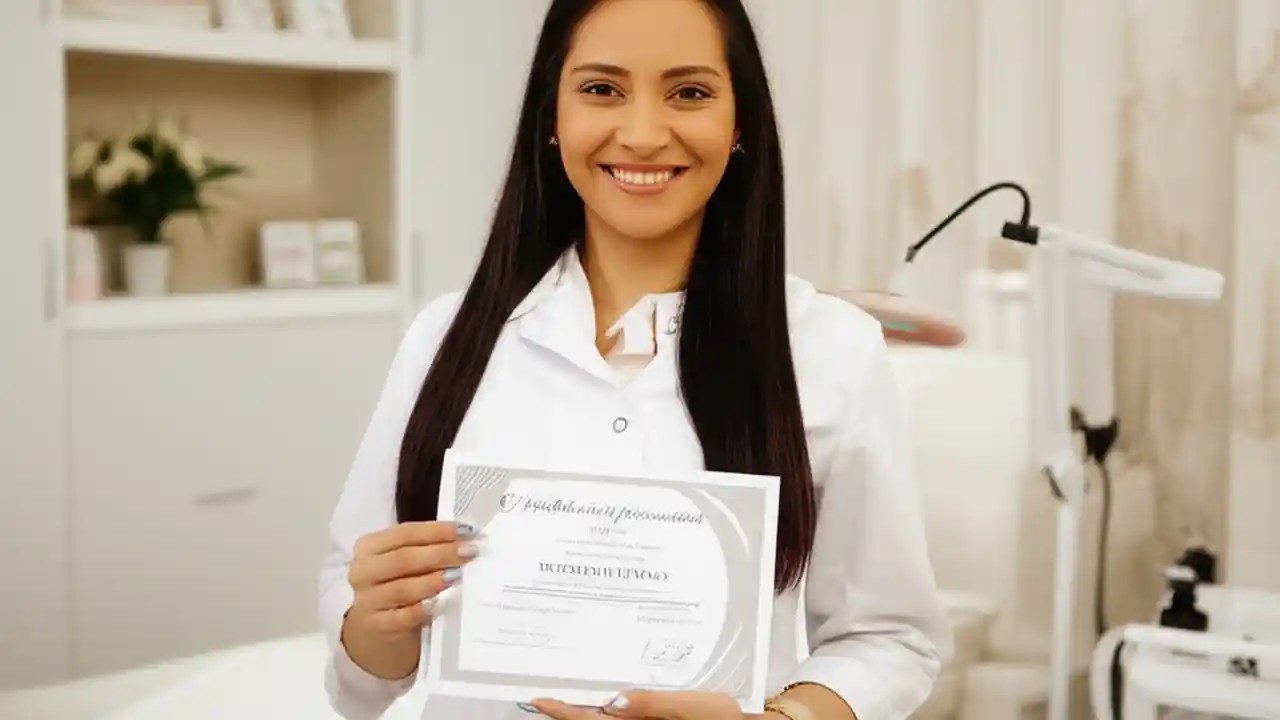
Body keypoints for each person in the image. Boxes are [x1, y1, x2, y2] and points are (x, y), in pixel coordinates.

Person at [318, 0, 950, 718]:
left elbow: (891, 637)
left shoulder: (830, 349)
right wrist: (374, 627)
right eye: (600, 89)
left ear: (739, 123)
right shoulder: (444, 339)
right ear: (549, 118)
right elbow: (361, 678)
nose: (645, 134)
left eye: (690, 92)